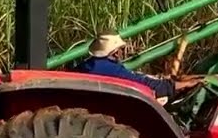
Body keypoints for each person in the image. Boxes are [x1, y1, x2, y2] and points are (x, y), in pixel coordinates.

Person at [71, 33, 207, 101]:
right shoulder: (110, 70)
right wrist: (178, 86)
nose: (122, 52)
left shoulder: (88, 65)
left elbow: (135, 76)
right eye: (121, 49)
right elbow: (141, 83)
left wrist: (161, 78)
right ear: (115, 52)